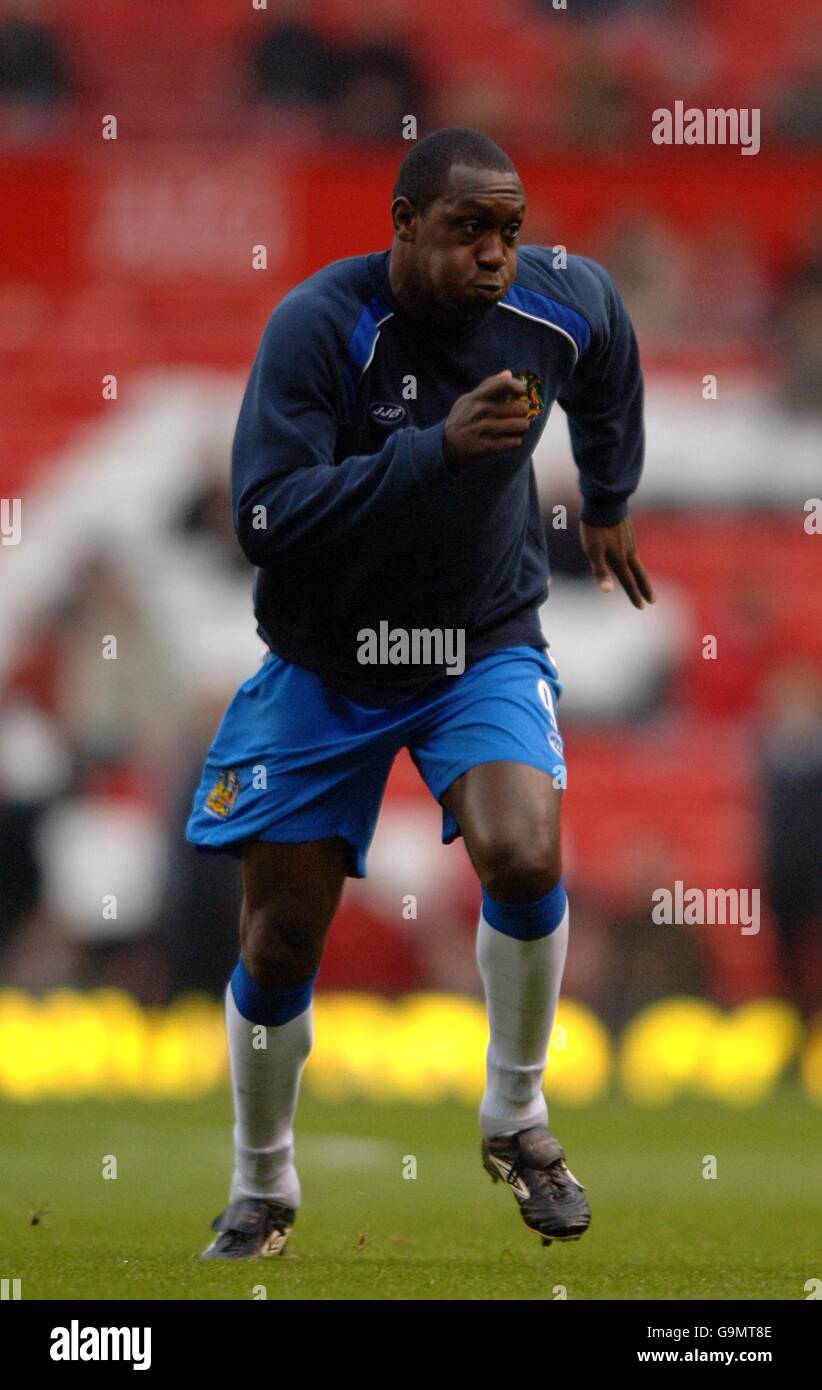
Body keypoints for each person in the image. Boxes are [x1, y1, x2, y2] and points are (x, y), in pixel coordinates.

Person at [186, 126, 655, 1259]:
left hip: (476, 644)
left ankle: (518, 1112)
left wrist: (608, 492)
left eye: (510, 231)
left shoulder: (559, 301)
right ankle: (262, 1184)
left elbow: (612, 356)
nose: (496, 254)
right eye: (468, 229)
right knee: (283, 938)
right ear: (403, 223)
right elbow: (261, 519)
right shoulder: (316, 326)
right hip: (324, 662)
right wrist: (433, 451)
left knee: (527, 853)